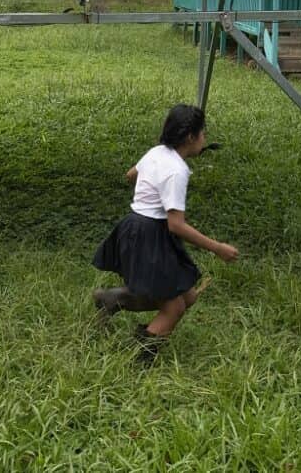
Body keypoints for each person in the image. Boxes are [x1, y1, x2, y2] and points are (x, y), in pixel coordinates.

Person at [91, 104, 239, 364]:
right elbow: (177, 225)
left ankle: (112, 299)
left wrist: (149, 191)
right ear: (190, 137)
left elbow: (130, 176)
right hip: (150, 234)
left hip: (137, 227)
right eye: (203, 133)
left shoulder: (157, 152)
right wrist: (217, 248)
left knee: (188, 296)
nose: (205, 138)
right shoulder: (176, 171)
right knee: (175, 308)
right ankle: (139, 361)